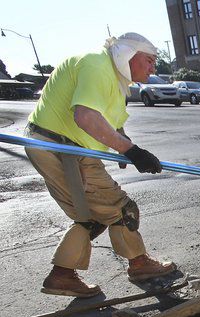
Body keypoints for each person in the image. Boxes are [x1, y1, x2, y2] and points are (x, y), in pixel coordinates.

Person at [24, 33, 177, 298]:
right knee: (120, 210)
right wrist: (131, 151)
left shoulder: (115, 78)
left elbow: (110, 119)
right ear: (129, 54)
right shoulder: (97, 66)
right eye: (150, 61)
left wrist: (123, 144)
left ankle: (61, 276)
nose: (154, 68)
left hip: (67, 148)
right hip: (62, 148)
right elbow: (85, 115)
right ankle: (139, 264)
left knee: (90, 217)